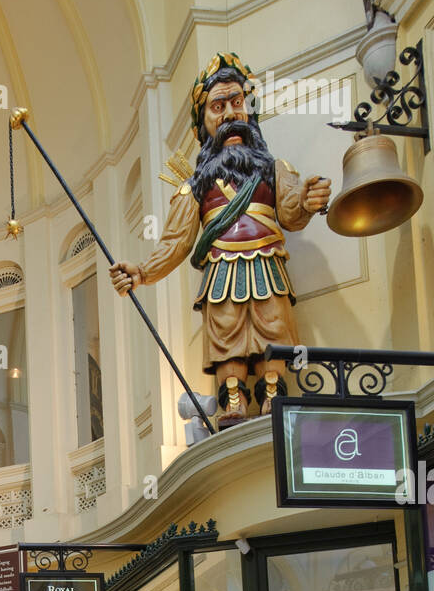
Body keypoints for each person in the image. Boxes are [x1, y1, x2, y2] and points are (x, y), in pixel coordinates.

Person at [110, 51, 331, 425]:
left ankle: (272, 392)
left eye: (236, 103)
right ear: (203, 123)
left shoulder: (275, 169)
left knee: (272, 325)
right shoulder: (194, 186)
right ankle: (233, 400)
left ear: (249, 110)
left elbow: (291, 212)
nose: (229, 114)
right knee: (227, 332)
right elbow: (176, 243)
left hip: (267, 262)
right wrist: (142, 272)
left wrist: (308, 201)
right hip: (221, 271)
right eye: (217, 106)